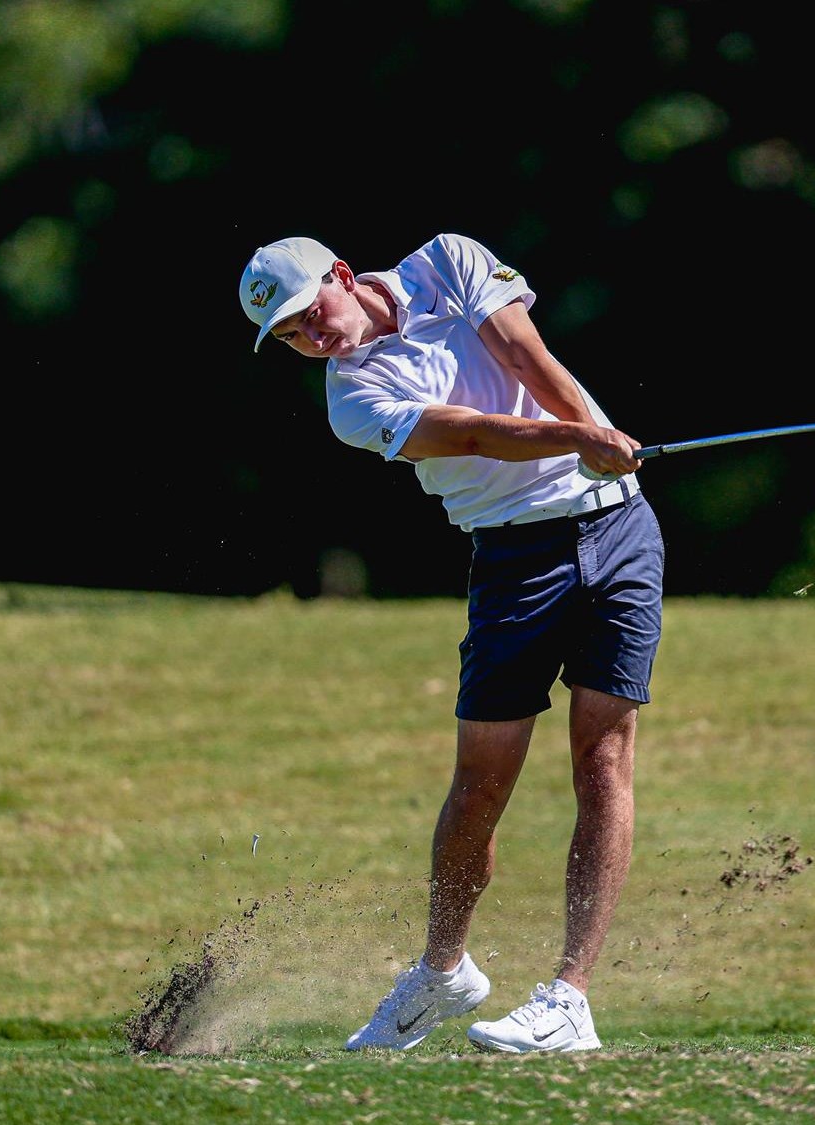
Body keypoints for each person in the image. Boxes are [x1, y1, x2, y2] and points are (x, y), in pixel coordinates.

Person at [237, 232, 666, 1053]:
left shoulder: (448, 261)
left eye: (309, 312)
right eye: (289, 336)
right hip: (514, 555)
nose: (311, 336)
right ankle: (443, 972)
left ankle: (571, 997)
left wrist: (588, 435)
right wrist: (583, 441)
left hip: (621, 530)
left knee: (603, 757)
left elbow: (524, 352)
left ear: (339, 274)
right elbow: (471, 432)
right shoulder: (350, 400)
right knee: (480, 782)